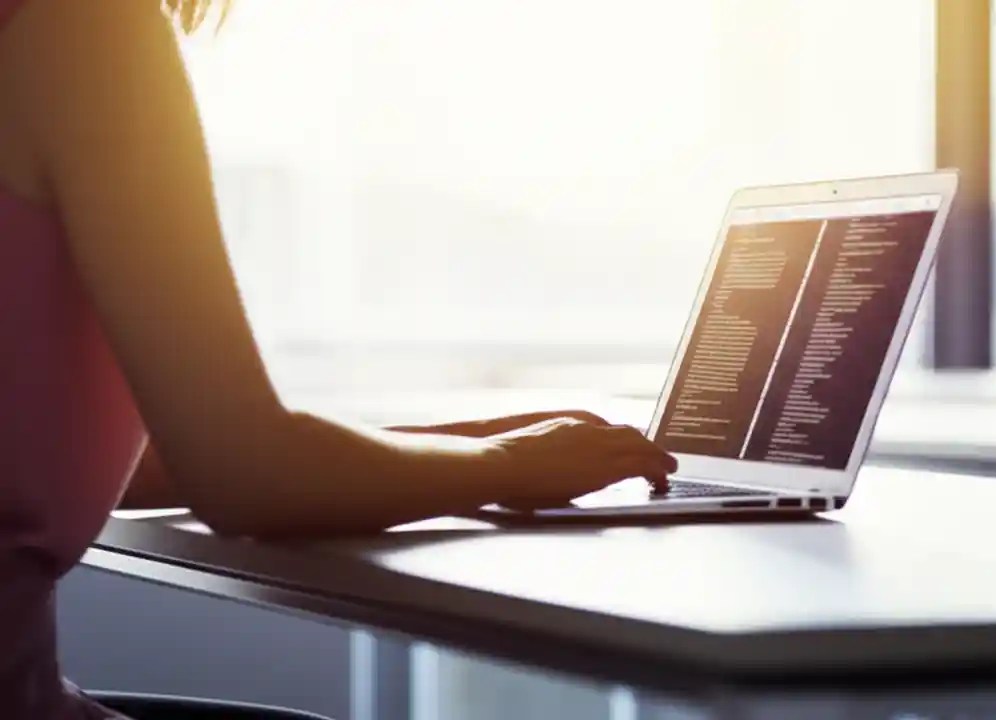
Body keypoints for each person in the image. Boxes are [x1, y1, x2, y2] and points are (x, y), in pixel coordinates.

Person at [0, 0, 676, 717]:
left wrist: (472, 449)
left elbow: (91, 454)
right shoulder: (83, 28)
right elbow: (244, 476)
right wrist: (510, 464)